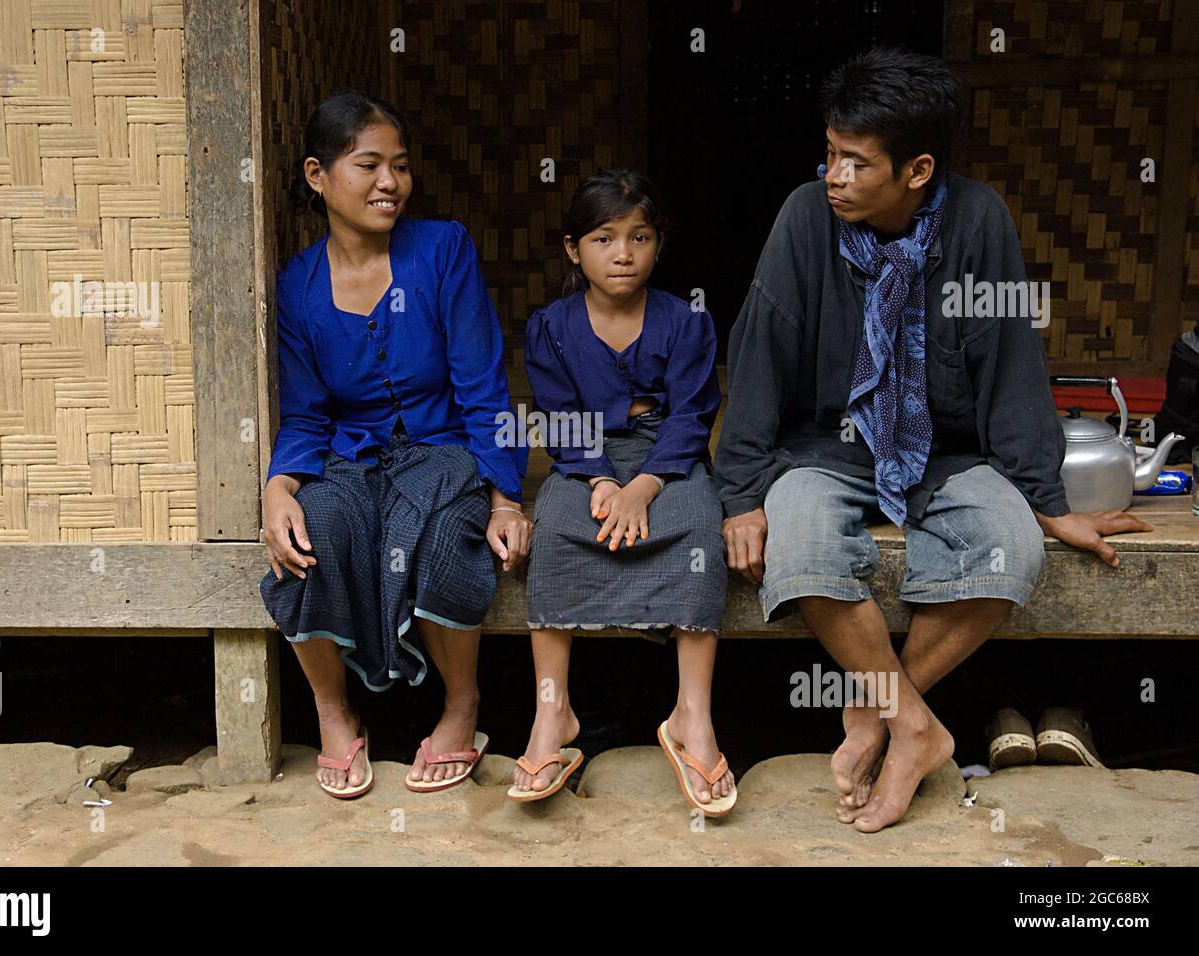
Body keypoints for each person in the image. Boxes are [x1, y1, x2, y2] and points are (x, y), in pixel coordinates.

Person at [714, 48, 1151, 832]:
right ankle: (916, 724)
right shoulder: (803, 217)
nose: (834, 177)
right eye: (829, 155)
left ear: (917, 170)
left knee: (1010, 551)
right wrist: (742, 496)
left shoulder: (979, 220)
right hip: (827, 450)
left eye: (855, 162)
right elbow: (758, 357)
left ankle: (879, 716)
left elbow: (1011, 359)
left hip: (947, 457)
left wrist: (1046, 503)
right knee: (803, 544)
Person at [259, 90, 530, 799]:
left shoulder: (443, 251)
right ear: (318, 176)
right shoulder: (300, 284)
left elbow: (482, 384)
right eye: (370, 165)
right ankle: (332, 710)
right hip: (352, 456)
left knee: (443, 535)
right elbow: (308, 413)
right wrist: (278, 488)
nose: (391, 183)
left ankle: (461, 705)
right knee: (313, 533)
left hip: (443, 451)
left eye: (401, 167)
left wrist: (506, 496)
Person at [510, 170, 734, 814]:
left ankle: (693, 714)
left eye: (639, 237)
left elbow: (694, 415)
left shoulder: (686, 319)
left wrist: (643, 485)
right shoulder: (551, 326)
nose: (623, 252)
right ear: (572, 249)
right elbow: (556, 416)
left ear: (659, 245)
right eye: (604, 238)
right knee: (554, 532)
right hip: (588, 459)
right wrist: (604, 478)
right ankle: (553, 716)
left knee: (696, 530)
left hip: (669, 456)